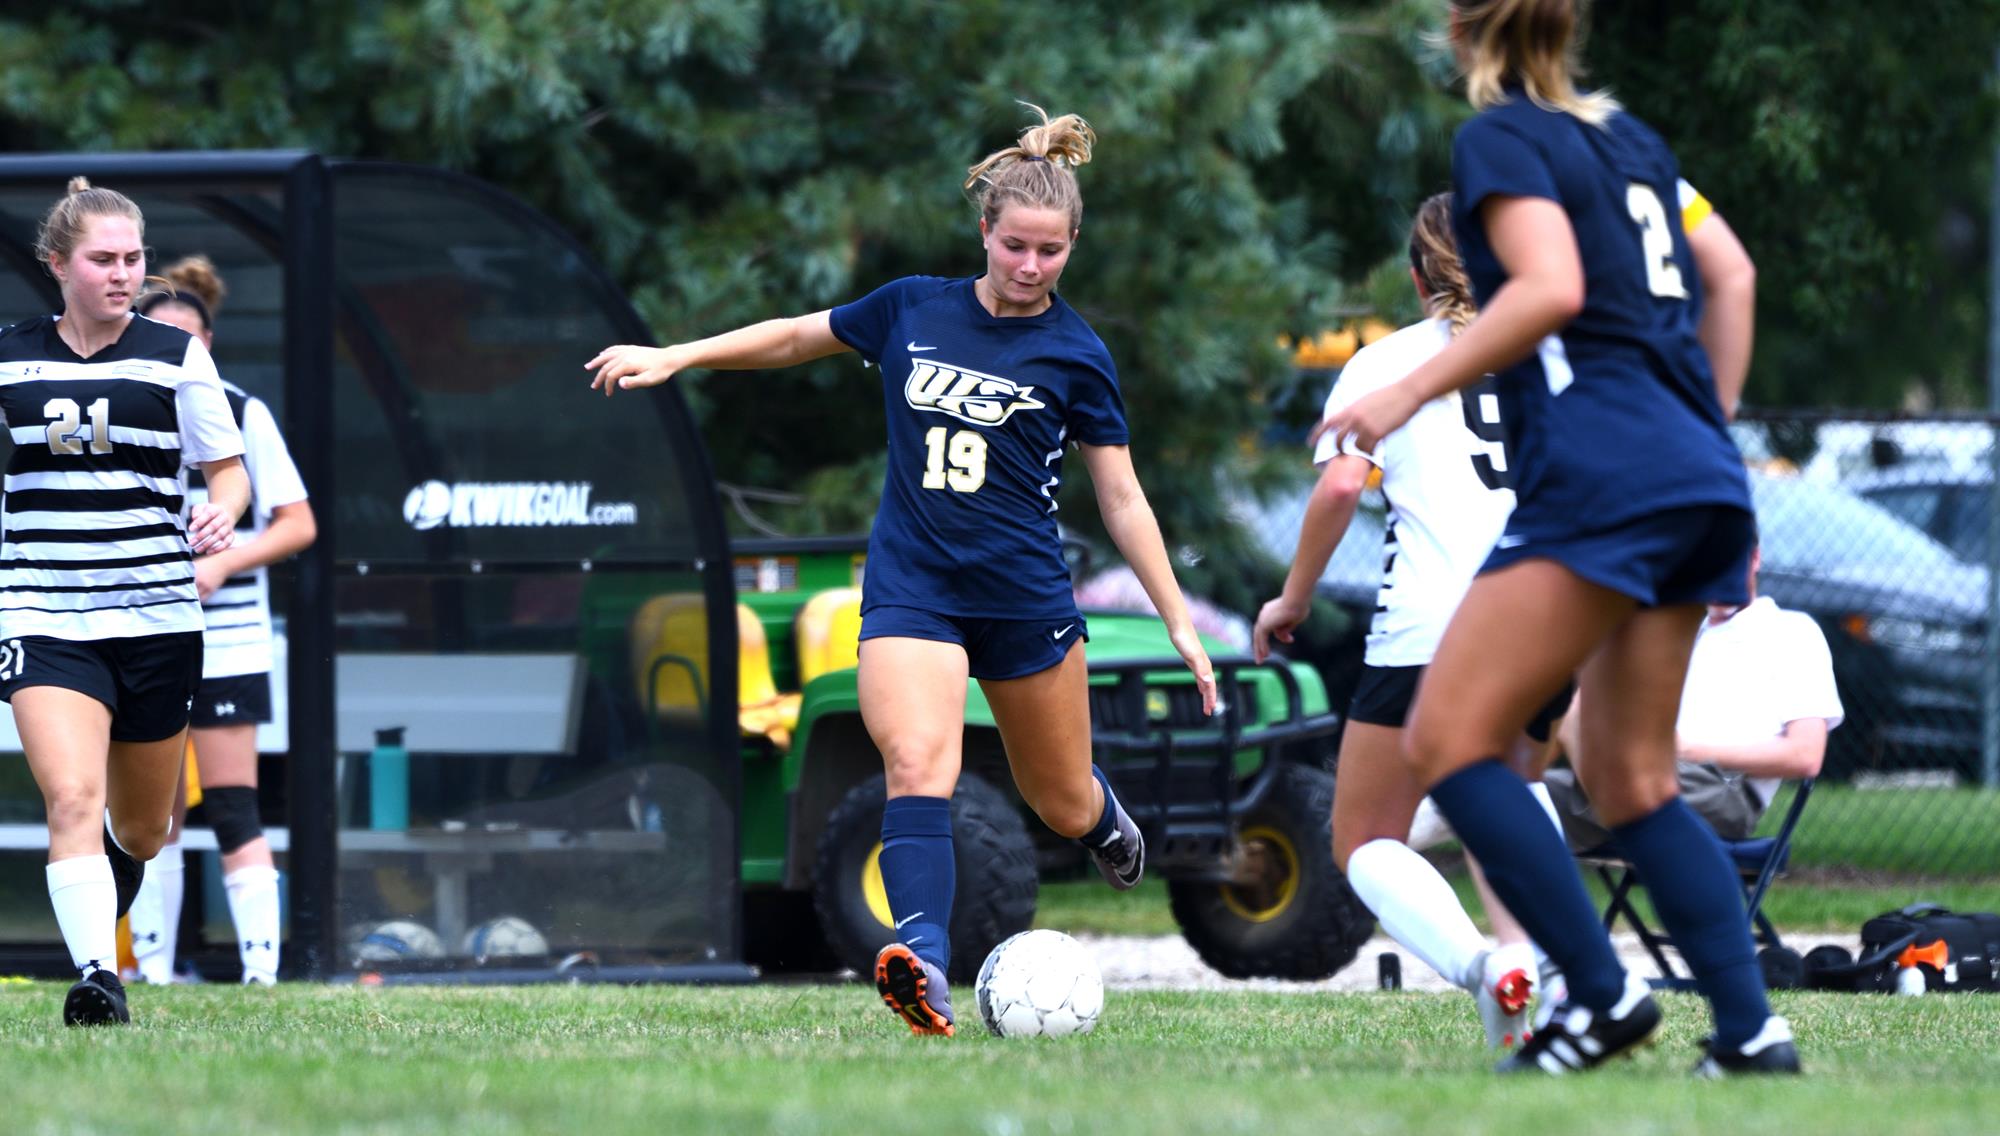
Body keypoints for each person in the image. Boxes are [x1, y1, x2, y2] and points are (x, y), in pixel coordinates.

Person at [586, 105, 1215, 1037]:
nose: (1030, 266)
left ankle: (1102, 820)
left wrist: (1178, 619)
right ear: (984, 234)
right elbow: (798, 335)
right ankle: (922, 959)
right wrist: (680, 354)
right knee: (919, 763)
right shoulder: (913, 307)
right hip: (915, 584)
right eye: (1014, 246)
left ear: (1072, 244)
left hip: (1023, 597)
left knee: (1060, 794)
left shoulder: (1079, 354)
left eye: (1050, 251)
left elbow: (1120, 499)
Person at [1319, 0, 1790, 1076]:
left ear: (1458, 29)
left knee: (1448, 740)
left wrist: (1400, 394)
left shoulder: (1501, 136)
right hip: (1694, 475)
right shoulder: (1631, 142)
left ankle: (1606, 988)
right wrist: (1701, 437)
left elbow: (1548, 287)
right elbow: (1733, 275)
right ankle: (1751, 1032)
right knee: (1631, 781)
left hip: (1602, 478)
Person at [1253, 192, 1569, 1048]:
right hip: (1548, 615)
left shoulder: (1386, 362)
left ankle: (1483, 966)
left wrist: (1293, 598)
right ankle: (1546, 974)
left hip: (1433, 624)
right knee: (1512, 790)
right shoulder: (1556, 356)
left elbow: (1342, 484)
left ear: (1414, 272)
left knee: (1362, 836)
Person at [0, 180, 247, 1025]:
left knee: (144, 830)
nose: (121, 274)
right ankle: (99, 977)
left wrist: (223, 509)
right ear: (57, 264)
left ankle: (107, 893)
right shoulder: (9, 356)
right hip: (42, 611)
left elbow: (229, 469)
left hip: (155, 616)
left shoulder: (176, 355)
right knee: (70, 797)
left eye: (132, 259)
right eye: (103, 260)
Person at [125, 256, 317, 986]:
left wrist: (222, 562)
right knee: (149, 816)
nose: (177, 349)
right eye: (161, 333)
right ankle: (153, 971)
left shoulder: (241, 411)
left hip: (228, 638)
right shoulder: (117, 404)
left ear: (209, 341)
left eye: (190, 336)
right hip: (138, 633)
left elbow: (296, 524)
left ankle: (261, 978)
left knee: (234, 804)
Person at [1547, 544, 1842, 851]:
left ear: (1754, 557)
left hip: (1718, 790)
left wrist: (1685, 749)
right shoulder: (1677, 632)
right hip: (1643, 771)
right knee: (1516, 795)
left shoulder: (1791, 630)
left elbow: (1804, 756)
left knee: (1574, 711)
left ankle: (1601, 778)